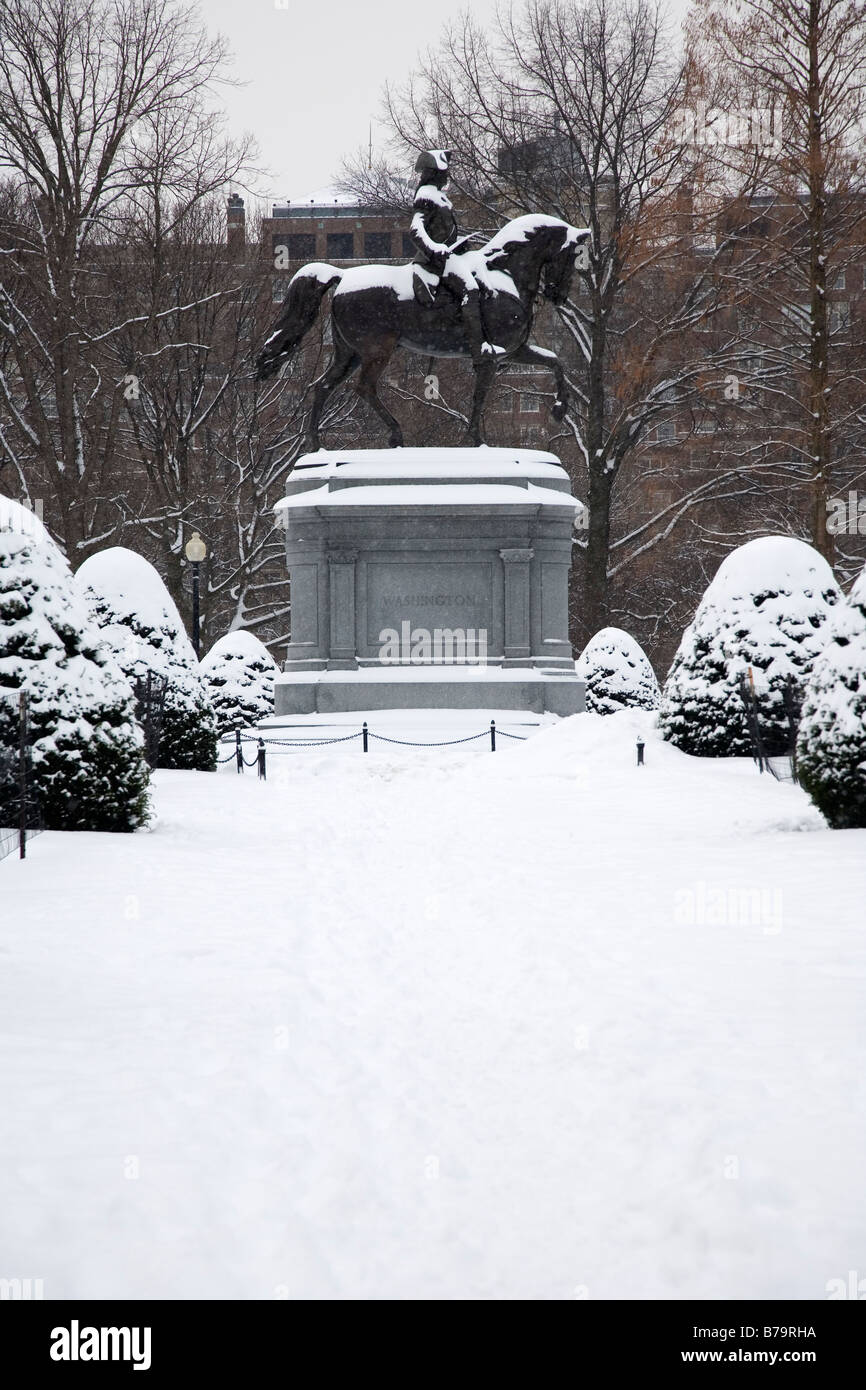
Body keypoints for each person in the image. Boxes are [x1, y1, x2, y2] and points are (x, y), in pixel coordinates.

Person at [409, 149, 498, 366]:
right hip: (436, 261)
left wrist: (466, 247)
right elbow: (415, 229)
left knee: (484, 280)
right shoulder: (425, 196)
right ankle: (479, 351)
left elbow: (447, 233)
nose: (447, 176)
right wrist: (433, 249)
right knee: (471, 288)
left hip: (451, 256)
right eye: (444, 171)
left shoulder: (441, 198)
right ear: (434, 173)